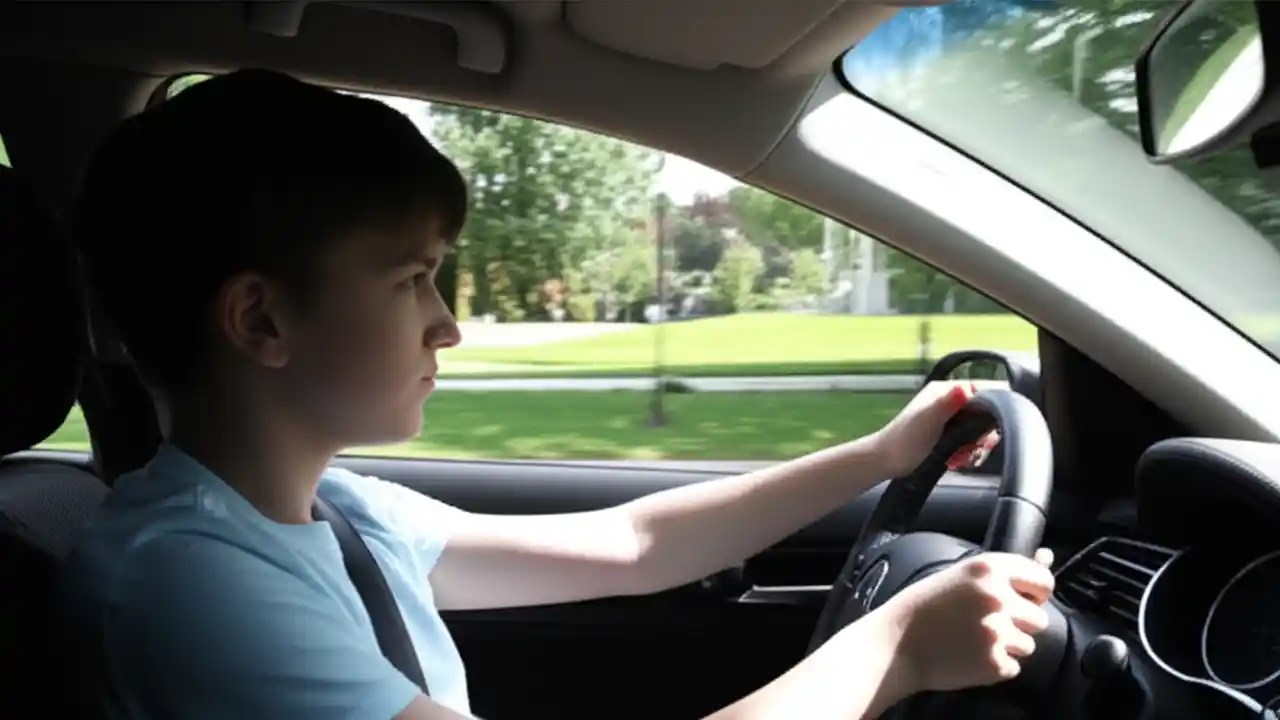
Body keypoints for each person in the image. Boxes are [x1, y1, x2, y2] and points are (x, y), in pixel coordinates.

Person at [58, 69, 1055, 720]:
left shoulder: (339, 511)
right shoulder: (190, 583)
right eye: (411, 280)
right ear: (262, 323)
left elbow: (634, 546)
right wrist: (896, 646)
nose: (445, 324)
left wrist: (878, 456)